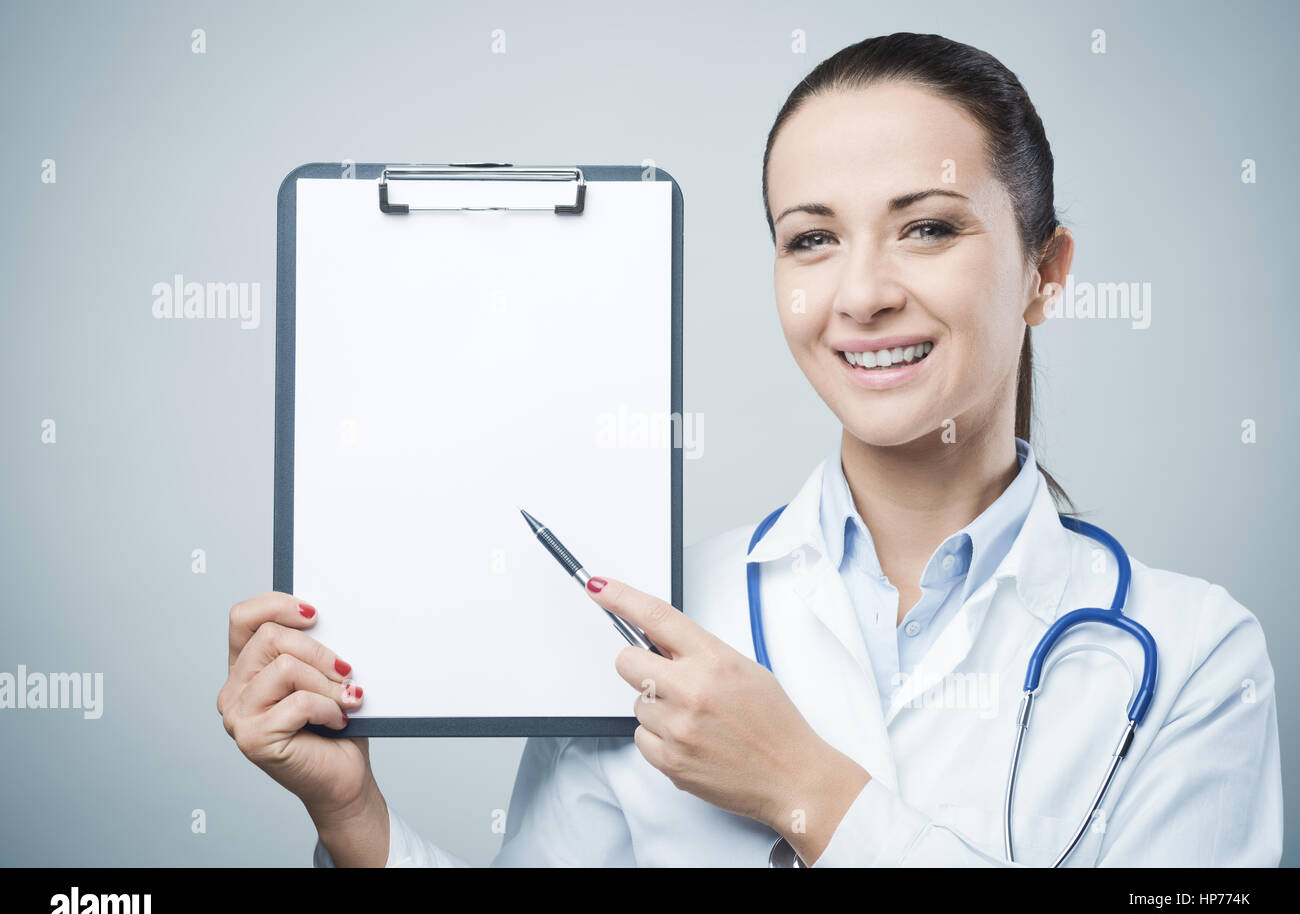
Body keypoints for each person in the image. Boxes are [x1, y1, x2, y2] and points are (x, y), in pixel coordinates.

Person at [217, 32, 1283, 867]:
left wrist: (804, 789)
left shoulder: (1194, 658)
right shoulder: (645, 622)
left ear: (1046, 273)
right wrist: (353, 816)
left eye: (927, 227)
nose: (861, 294)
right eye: (810, 238)